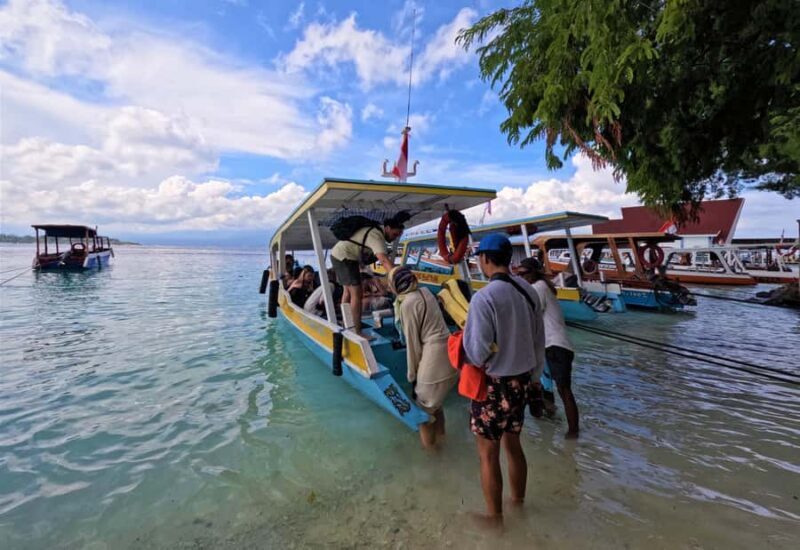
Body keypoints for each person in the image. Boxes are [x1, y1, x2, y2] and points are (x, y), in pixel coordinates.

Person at [462, 233, 545, 526]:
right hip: (521, 381)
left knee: (487, 454)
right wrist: (533, 377)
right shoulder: (528, 291)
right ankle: (518, 502)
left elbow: (476, 351)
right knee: (514, 444)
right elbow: (538, 340)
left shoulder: (484, 297)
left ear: (484, 259)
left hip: (494, 385)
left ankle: (495, 518)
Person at [389, 266, 457, 449]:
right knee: (437, 405)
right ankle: (443, 443)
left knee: (422, 413)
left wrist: (412, 375)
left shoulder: (408, 303)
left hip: (434, 354)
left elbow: (413, 344)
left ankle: (432, 458)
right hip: (450, 352)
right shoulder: (425, 292)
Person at [518, 257, 580, 438]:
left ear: (533, 273)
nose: (521, 277)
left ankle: (573, 432)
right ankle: (551, 423)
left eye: (524, 274)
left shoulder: (538, 288)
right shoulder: (542, 287)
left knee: (564, 390)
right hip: (550, 345)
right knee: (546, 387)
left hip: (555, 346)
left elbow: (527, 315)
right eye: (518, 274)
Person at [330, 215, 406, 336]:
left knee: (347, 292)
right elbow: (384, 260)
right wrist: (399, 278)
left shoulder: (374, 230)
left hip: (339, 255)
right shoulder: (376, 235)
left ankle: (347, 323)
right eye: (395, 234)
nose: (394, 238)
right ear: (387, 228)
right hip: (344, 257)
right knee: (356, 294)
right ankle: (357, 331)